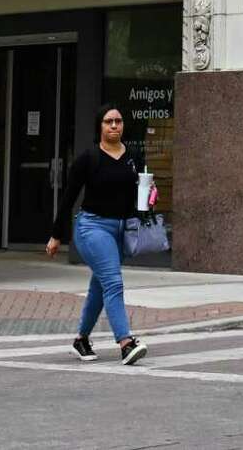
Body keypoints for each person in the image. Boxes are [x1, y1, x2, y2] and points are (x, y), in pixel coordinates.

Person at [46, 107, 148, 365]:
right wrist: (56, 235)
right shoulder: (88, 158)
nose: (114, 125)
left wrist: (149, 196)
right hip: (92, 228)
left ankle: (81, 339)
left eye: (118, 121)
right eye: (108, 121)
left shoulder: (134, 156)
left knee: (100, 286)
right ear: (99, 127)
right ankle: (125, 343)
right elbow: (68, 198)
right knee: (113, 282)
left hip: (120, 229)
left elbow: (139, 191)